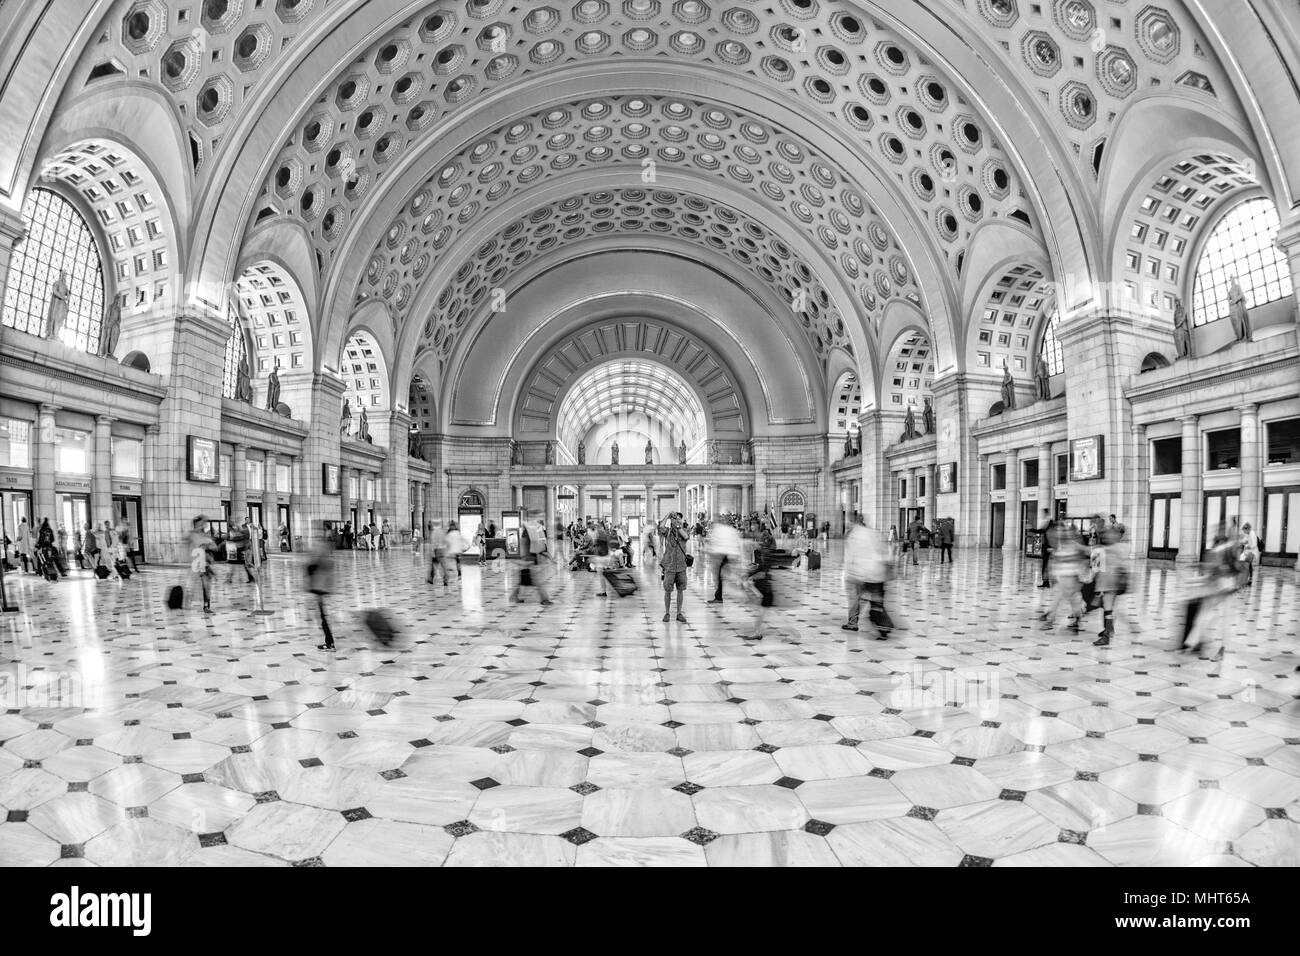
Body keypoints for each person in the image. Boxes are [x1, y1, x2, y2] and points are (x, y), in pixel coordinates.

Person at [842, 516, 892, 637]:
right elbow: (885, 551)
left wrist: (850, 574)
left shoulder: (853, 536)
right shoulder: (873, 533)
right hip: (877, 572)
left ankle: (853, 623)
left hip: (861, 573)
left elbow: (850, 556)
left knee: (855, 599)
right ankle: (883, 626)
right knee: (877, 601)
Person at [1041, 524, 1086, 631]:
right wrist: (1049, 573)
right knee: (1058, 600)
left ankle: (1074, 620)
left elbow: (1085, 554)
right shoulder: (1059, 546)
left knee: (1074, 601)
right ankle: (1051, 620)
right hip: (1062, 579)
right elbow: (1054, 560)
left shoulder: (1074, 545)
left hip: (1072, 579)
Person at [1092, 525, 1129, 647]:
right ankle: (1108, 629)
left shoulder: (1099, 550)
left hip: (1106, 583)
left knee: (1108, 609)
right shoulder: (1119, 548)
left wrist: (1089, 578)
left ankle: (1106, 636)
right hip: (1113, 583)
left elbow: (1095, 569)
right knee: (1109, 609)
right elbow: (1123, 566)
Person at [659, 512, 690, 623]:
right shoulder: (668, 532)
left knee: (680, 590)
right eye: (675, 519)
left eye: (679, 519)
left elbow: (686, 537)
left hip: (681, 565)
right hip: (670, 565)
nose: (677, 520)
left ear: (682, 520)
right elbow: (661, 526)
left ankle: (679, 613)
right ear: (671, 521)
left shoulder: (685, 530)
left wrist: (678, 526)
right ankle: (667, 613)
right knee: (668, 590)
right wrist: (668, 515)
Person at [305, 538, 336, 650]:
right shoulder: (328, 559)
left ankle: (329, 643)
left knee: (323, 617)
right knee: (322, 616)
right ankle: (329, 642)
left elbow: (310, 569)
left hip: (319, 589)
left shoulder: (320, 559)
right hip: (323, 589)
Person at [706, 517, 743, 604]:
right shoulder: (732, 530)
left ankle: (719, 597)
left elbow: (715, 542)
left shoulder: (719, 529)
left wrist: (711, 552)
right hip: (729, 554)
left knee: (719, 576)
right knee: (722, 576)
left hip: (722, 554)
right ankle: (719, 596)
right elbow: (736, 543)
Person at [186, 516, 216, 613]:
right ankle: (186, 604)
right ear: (196, 525)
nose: (203, 525)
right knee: (191, 586)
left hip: (205, 564)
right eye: (201, 523)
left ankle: (206, 606)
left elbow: (215, 547)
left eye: (203, 523)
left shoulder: (206, 536)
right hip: (195, 564)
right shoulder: (191, 535)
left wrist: (207, 546)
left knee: (206, 586)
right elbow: (185, 541)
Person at [1037, 509, 1056, 587]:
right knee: (1045, 565)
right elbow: (1041, 531)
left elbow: (1053, 535)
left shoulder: (1050, 523)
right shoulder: (1046, 523)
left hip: (1049, 548)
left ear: (1046, 514)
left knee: (1047, 565)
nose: (1042, 516)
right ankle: (1045, 582)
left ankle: (1047, 582)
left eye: (1043, 514)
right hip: (1045, 547)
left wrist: (1051, 546)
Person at [1238, 521, 1259, 586]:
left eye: (1244, 530)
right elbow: (1246, 540)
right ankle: (1248, 579)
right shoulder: (1248, 534)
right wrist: (1241, 542)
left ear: (1247, 529)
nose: (1244, 532)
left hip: (1252, 552)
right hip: (1249, 552)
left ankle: (1249, 579)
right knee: (1247, 565)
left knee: (1247, 565)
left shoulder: (1252, 534)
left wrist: (1247, 546)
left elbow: (1254, 545)